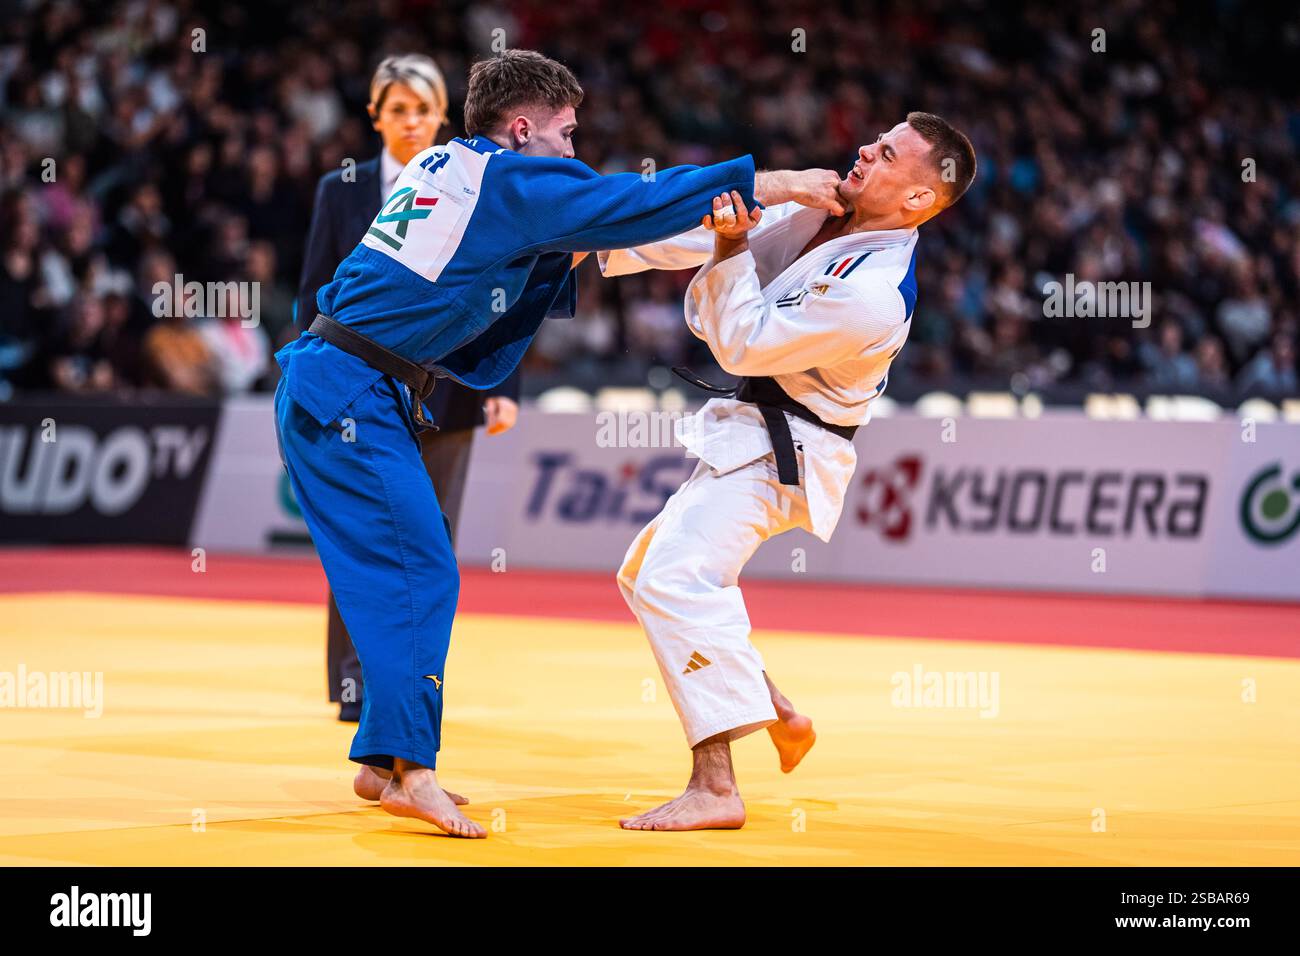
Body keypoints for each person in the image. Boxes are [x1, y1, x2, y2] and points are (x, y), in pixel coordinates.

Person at [273, 49, 843, 838]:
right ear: (521, 128)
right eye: (566, 134)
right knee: (419, 571)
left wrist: (589, 237)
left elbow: (517, 259)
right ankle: (412, 771)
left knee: (395, 571)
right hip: (350, 391)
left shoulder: (450, 167)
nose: (574, 151)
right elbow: (631, 198)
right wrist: (776, 184)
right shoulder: (506, 179)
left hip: (342, 380)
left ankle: (385, 761)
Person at [603, 113, 977, 831]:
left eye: (890, 153)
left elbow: (743, 343)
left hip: (790, 451)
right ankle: (775, 711)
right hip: (749, 432)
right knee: (644, 569)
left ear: (917, 201)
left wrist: (733, 243)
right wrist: (592, 241)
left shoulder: (874, 292)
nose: (867, 149)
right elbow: (711, 226)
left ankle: (715, 787)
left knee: (676, 578)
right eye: (877, 139)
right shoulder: (821, 201)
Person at [294, 53, 521, 726]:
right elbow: (313, 291)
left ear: (443, 117)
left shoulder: (470, 183)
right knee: (359, 533)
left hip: (448, 390)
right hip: (356, 388)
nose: (412, 122)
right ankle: (353, 682)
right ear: (375, 117)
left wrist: (503, 384)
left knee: (430, 544)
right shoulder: (343, 190)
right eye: (398, 110)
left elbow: (504, 289)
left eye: (424, 110)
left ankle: (414, 688)